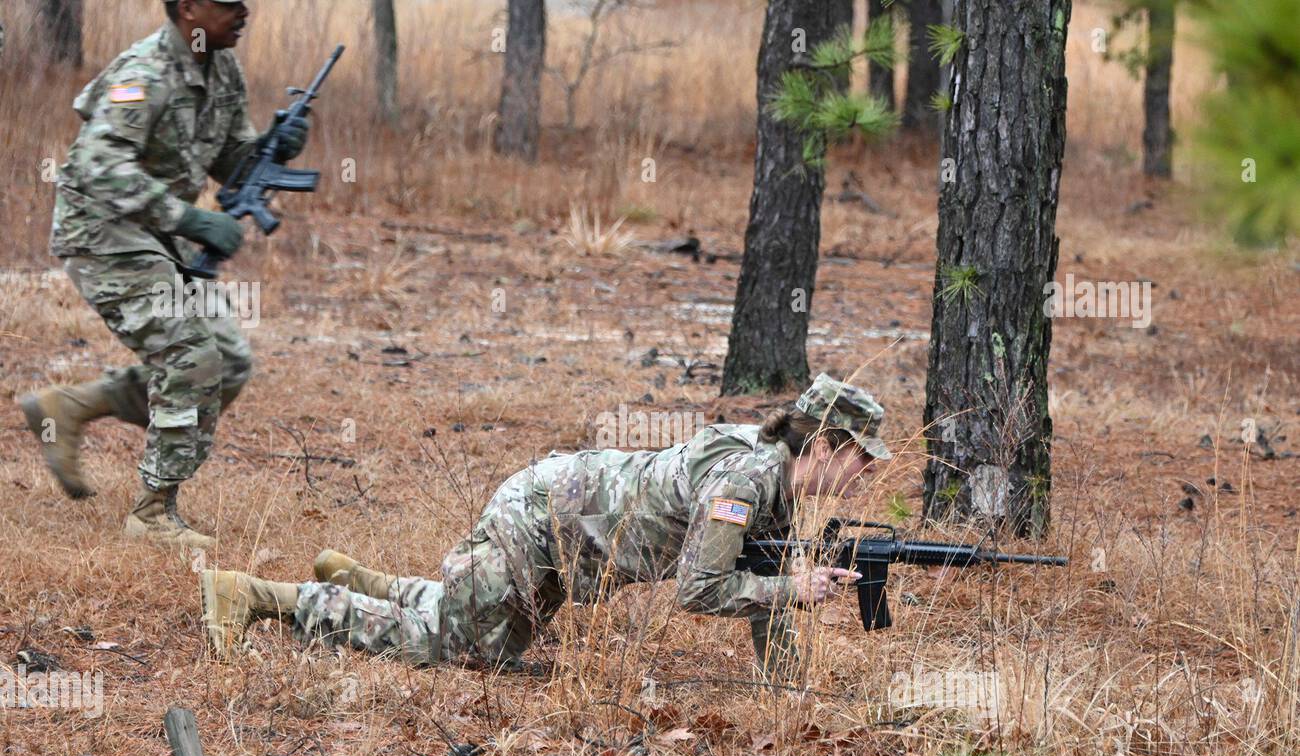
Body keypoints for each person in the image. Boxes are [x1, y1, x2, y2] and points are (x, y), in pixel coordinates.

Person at [200, 374, 891, 676]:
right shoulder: (744, 481)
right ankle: (261, 597)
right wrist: (793, 591)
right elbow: (700, 589)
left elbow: (764, 569)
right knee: (451, 650)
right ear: (825, 446)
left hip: (568, 539)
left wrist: (786, 688)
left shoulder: (778, 475)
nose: (869, 473)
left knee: (487, 643)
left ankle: (362, 579)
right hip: (542, 523)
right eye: (862, 458)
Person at [17, 0, 309, 549]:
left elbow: (228, 161)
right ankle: (151, 515)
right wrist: (191, 218)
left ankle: (73, 406)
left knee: (229, 365)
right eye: (229, 4)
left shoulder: (221, 66)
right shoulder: (143, 72)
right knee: (190, 356)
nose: (244, 11)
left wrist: (273, 147)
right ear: (190, 8)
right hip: (103, 233)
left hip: (157, 232)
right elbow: (95, 167)